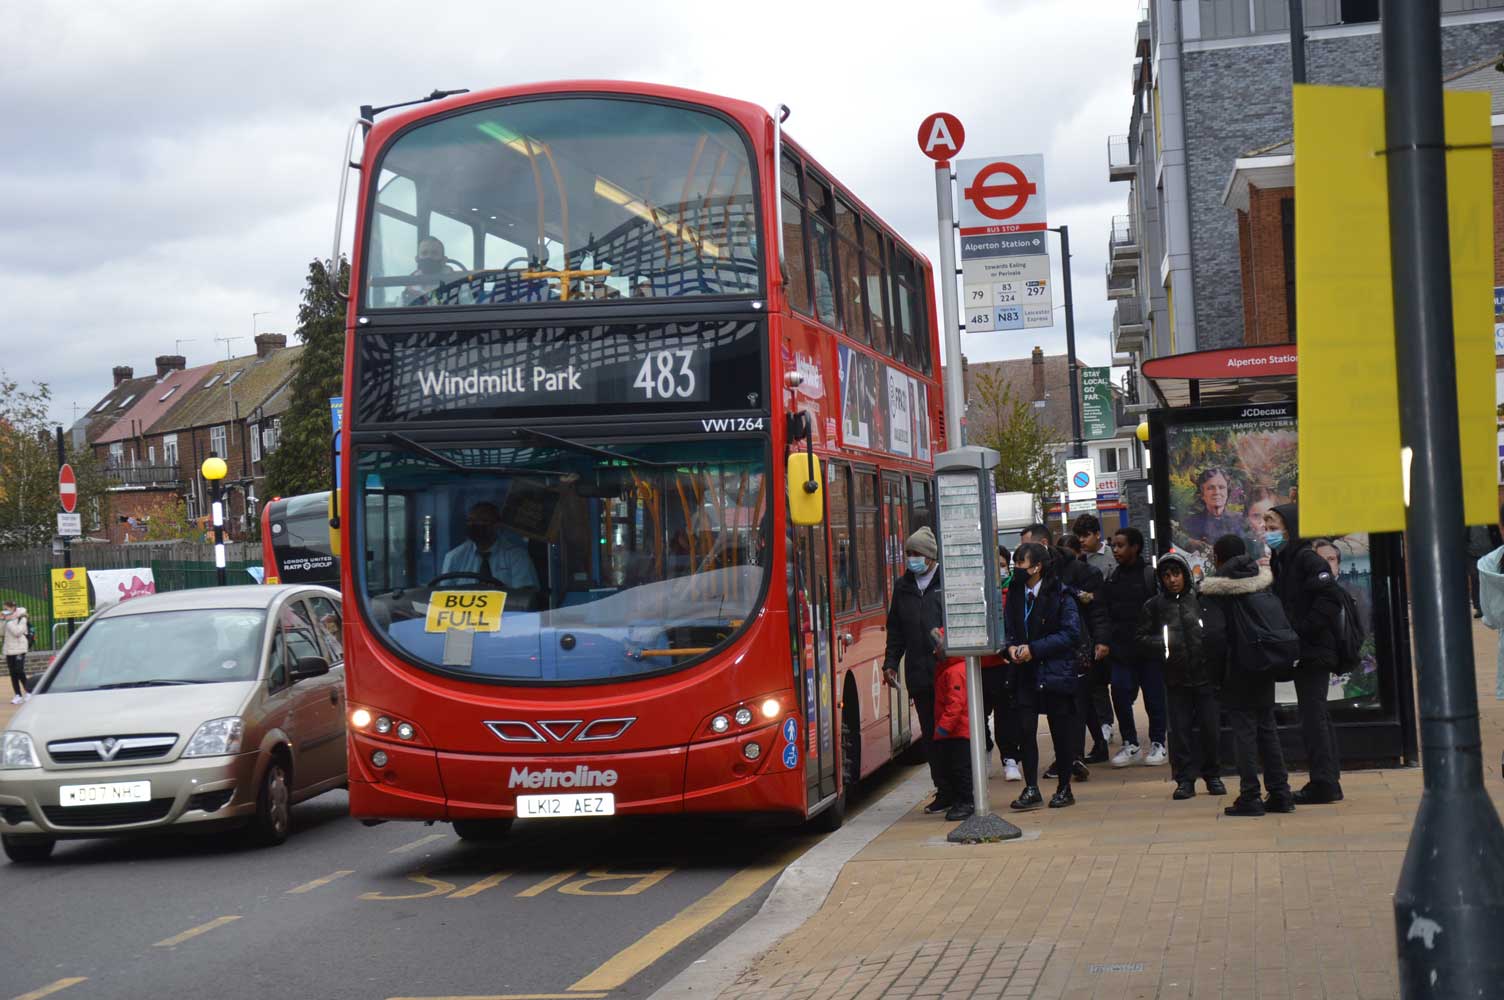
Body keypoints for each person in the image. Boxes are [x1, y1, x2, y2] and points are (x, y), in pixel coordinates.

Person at [1200, 534, 1295, 816]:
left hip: (1236, 669)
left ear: (1218, 557)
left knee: (1244, 733)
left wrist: (1215, 677)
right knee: (1267, 729)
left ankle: (1250, 796)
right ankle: (1280, 793)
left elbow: (1214, 637)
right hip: (1264, 662)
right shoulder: (1262, 582)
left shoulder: (1216, 591)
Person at [1265, 503, 1345, 804]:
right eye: (1266, 528)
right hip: (1304, 650)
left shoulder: (1305, 559)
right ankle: (1327, 780)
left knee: (1313, 717)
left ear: (1291, 529)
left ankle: (1324, 783)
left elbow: (1330, 599)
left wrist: (1301, 631)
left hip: (1314, 651)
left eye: (1274, 528)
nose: (1268, 534)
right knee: (1315, 716)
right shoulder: (1283, 560)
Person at [1137, 552, 1225, 799]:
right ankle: (1185, 780)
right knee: (1180, 733)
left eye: (1176, 574)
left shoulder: (1200, 600)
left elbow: (1215, 632)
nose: (1172, 580)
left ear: (1185, 575)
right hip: (1175, 677)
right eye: (1166, 576)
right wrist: (1164, 645)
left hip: (1204, 674)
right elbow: (1140, 639)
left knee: (1210, 730)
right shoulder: (1154, 606)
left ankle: (1213, 776)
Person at [1002, 542, 1083, 809]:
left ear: (1037, 567)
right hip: (1023, 673)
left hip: (1054, 672)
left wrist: (1034, 650)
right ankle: (1031, 787)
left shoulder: (1060, 594)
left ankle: (1064, 788)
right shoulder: (1014, 592)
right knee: (1025, 730)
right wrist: (1010, 647)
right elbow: (1008, 627)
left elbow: (1071, 634)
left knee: (1061, 731)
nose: (1016, 571)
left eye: (1021, 565)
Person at [883, 527, 953, 814]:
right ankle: (944, 790)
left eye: (917, 554)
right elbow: (896, 629)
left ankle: (962, 789)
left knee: (951, 731)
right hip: (919, 673)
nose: (912, 559)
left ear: (930, 557)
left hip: (949, 671)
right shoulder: (903, 587)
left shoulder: (945, 583)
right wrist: (890, 662)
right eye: (909, 554)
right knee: (930, 733)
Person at [1102, 527, 1167, 767]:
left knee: (1154, 698)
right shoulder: (1112, 577)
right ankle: (1130, 743)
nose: (1116, 550)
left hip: (1149, 651)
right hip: (1121, 650)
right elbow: (1105, 612)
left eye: (1121, 545)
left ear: (1135, 547)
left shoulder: (1150, 575)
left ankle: (1159, 742)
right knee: (1119, 694)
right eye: (1114, 546)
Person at [1047, 536, 1111, 774]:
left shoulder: (1083, 574)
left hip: (1081, 646)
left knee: (1077, 701)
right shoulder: (1051, 574)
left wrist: (1102, 640)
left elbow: (1098, 610)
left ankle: (1073, 756)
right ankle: (1097, 746)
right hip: (1067, 646)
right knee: (1084, 700)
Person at [982, 544, 1023, 782]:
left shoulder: (1015, 593)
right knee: (979, 715)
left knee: (1007, 714)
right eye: (993, 566)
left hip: (1005, 664)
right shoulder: (978, 594)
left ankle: (1010, 758)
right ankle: (985, 750)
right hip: (979, 666)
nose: (999, 570)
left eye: (1002, 565)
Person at [442, 502, 541, 590]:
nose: (475, 525)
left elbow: (526, 596)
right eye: (470, 520)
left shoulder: (517, 556)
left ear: (496, 525)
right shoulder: (454, 557)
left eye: (483, 520)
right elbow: (442, 596)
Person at [932, 645, 975, 821]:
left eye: (938, 647)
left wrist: (942, 728)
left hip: (956, 732)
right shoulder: (953, 669)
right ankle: (962, 800)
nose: (934, 651)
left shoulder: (954, 672)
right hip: (956, 731)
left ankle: (966, 802)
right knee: (958, 768)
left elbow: (955, 704)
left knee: (959, 769)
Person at [1180, 468, 1243, 554]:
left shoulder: (1241, 521)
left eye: (1221, 487)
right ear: (1202, 494)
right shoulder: (1190, 524)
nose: (1216, 492)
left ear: (1227, 492)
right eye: (1210, 488)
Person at [2, 602, 31, 704]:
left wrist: (8, 621)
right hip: (9, 649)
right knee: (13, 673)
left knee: (19, 670)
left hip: (19, 648)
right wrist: (2, 621)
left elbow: (17, 632)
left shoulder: (22, 617)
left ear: (13, 608)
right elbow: (1, 633)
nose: (5, 610)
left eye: (7, 608)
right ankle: (17, 695)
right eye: (4, 609)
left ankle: (29, 692)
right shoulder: (6, 619)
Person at [1072, 513, 1114, 578]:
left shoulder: (1114, 554)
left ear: (1097, 534)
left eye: (1085, 535)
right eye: (1079, 536)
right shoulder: (1076, 558)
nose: (1081, 540)